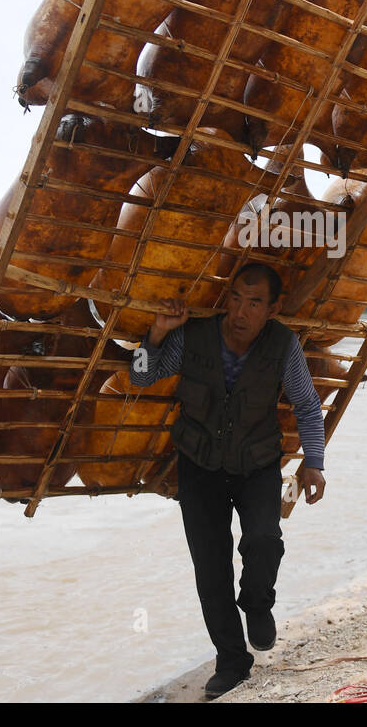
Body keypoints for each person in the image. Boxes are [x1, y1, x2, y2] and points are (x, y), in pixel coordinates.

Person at [130, 261, 326, 700]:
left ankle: (257, 603)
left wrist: (314, 462)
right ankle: (232, 661)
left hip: (257, 464)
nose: (241, 311)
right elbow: (140, 374)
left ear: (272, 309)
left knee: (264, 539)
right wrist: (157, 334)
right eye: (236, 298)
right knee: (210, 568)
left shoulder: (283, 345)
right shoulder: (194, 335)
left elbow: (307, 404)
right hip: (199, 467)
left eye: (254, 303)